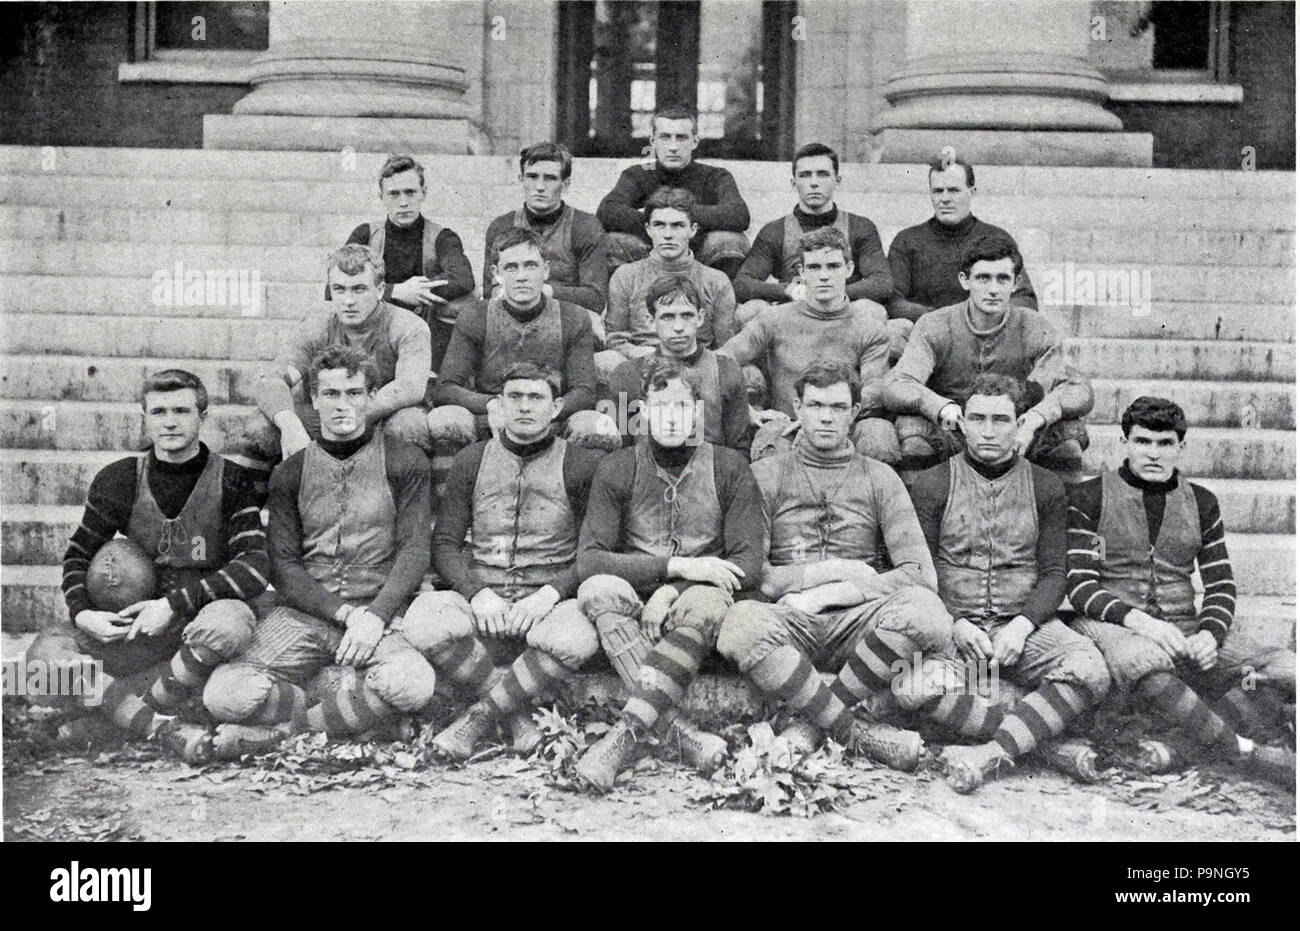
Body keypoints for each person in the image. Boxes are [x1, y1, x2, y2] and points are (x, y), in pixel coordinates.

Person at [715, 361, 1005, 772]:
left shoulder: (880, 477)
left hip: (861, 623)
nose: (827, 417)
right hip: (790, 618)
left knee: (924, 610)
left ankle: (811, 725)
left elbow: (920, 573)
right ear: (797, 408)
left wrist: (833, 594)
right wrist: (832, 575)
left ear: (854, 413)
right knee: (740, 624)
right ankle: (858, 734)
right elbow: (752, 571)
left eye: (838, 406)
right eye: (816, 406)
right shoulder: (764, 474)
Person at [202, 346, 438, 755]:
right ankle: (351, 715)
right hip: (307, 612)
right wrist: (341, 613)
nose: (342, 405)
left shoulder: (405, 460)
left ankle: (279, 734)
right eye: (330, 394)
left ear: (370, 396)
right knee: (224, 693)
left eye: (353, 393)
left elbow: (415, 550)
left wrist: (375, 617)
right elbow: (284, 565)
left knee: (413, 682)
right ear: (312, 399)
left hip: (380, 610)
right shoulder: (290, 472)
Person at [26, 369, 270, 763]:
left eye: (181, 410)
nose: (170, 421)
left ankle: (120, 717)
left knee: (230, 622)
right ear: (144, 416)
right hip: (132, 631)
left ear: (202, 416)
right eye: (158, 412)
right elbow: (78, 555)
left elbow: (256, 566)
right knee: (39, 670)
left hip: (192, 628)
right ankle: (157, 722)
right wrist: (84, 613)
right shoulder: (119, 478)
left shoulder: (232, 479)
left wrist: (173, 605)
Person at [1067, 396, 1294, 786]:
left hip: (1184, 624)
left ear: (1181, 447)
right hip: (1111, 624)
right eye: (1142, 442)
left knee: (1278, 669)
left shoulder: (1202, 501)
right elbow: (1080, 586)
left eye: (1164, 443)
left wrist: (1210, 633)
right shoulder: (1090, 497)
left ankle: (1183, 745)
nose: (1153, 453)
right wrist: (1141, 623)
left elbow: (1220, 584)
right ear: (1125, 442)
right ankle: (1247, 753)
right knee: (1147, 666)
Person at [908, 374, 1112, 792]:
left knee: (1090, 668)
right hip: (955, 630)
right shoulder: (933, 482)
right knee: (909, 687)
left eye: (1000, 419)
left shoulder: (1045, 484)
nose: (987, 430)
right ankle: (1037, 741)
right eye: (977, 418)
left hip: (1023, 628)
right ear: (961, 423)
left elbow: (1057, 573)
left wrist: (1023, 625)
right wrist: (955, 623)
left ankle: (986, 754)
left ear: (1019, 424)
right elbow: (917, 571)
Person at [572, 359, 766, 792]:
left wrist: (676, 589)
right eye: (661, 407)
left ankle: (625, 736)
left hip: (698, 607)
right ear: (641, 413)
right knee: (598, 587)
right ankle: (680, 734)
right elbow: (590, 559)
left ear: (698, 412)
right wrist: (675, 568)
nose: (673, 417)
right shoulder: (619, 466)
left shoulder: (731, 466)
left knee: (709, 599)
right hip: (637, 600)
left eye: (683, 406)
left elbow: (749, 564)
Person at [402, 363, 605, 760]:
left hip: (548, 602)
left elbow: (593, 551)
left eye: (536, 397)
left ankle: (480, 716)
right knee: (423, 619)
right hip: (486, 601)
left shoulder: (582, 463)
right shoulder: (472, 459)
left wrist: (549, 595)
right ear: (499, 404)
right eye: (515, 397)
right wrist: (476, 594)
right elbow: (443, 543)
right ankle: (518, 718)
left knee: (577, 636)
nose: (525, 407)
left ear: (557, 406)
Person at [883, 233, 1092, 477]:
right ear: (965, 280)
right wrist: (940, 407)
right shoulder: (936, 325)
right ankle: (919, 512)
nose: (993, 289)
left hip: (1014, 434)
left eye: (1002, 279)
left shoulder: (1035, 327)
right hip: (956, 431)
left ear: (1015, 283)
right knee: (912, 429)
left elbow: (1078, 389)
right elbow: (896, 384)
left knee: (1068, 433)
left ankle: (1066, 512)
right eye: (983, 278)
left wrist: (1036, 417)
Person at [428, 227, 618, 469]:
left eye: (530, 265)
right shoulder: (476, 314)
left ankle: (577, 502)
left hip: (551, 418)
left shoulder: (573, 316)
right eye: (511, 267)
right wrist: (492, 405)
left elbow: (584, 392)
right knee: (445, 420)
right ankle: (453, 502)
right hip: (494, 418)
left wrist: (544, 411)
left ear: (546, 270)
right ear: (496, 274)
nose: (521, 276)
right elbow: (445, 388)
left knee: (592, 425)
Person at [240, 244, 433, 473]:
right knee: (260, 426)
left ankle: (404, 505)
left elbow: (411, 386)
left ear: (380, 290)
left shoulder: (406, 325)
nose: (348, 300)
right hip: (328, 414)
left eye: (359, 289)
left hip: (381, 416)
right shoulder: (318, 325)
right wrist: (289, 423)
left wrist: (354, 414)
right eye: (339, 290)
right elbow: (271, 379)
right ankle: (248, 506)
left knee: (408, 425)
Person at [718, 226, 895, 463]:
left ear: (849, 269)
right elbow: (719, 362)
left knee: (879, 435)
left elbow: (874, 390)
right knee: (771, 439)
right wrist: (747, 411)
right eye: (814, 267)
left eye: (833, 266)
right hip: (788, 424)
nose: (824, 276)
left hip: (843, 425)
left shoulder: (869, 329)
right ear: (801, 271)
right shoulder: (774, 319)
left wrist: (822, 418)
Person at [733, 142, 905, 358]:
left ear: (837, 181)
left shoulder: (860, 227)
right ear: (793, 182)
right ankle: (766, 380)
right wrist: (789, 291)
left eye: (823, 174)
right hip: (795, 314)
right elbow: (742, 282)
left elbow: (882, 282)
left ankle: (861, 380)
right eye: (805, 175)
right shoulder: (775, 231)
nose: (814, 183)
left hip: (843, 316)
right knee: (751, 310)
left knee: (872, 311)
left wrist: (832, 295)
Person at [342, 154, 478, 368]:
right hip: (376, 330)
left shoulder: (443, 237)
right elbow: (333, 289)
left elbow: (462, 279)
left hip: (426, 331)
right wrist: (396, 292)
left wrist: (417, 293)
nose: (403, 202)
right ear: (381, 196)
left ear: (423, 193)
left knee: (461, 302)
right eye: (394, 194)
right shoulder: (366, 235)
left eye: (410, 192)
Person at [595, 187, 738, 380]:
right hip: (643, 363)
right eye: (660, 225)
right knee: (605, 361)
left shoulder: (716, 280)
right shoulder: (626, 276)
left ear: (692, 230)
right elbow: (615, 338)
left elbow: (725, 347)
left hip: (695, 366)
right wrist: (645, 355)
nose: (667, 234)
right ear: (648, 229)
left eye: (677, 225)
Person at [597, 103, 750, 277]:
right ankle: (633, 299)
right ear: (653, 141)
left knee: (730, 241)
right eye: (665, 137)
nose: (673, 147)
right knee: (611, 241)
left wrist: (681, 219)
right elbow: (607, 210)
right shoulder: (637, 175)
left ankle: (718, 300)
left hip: (699, 260)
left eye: (681, 137)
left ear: (694, 142)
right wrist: (660, 225)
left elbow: (739, 214)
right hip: (650, 256)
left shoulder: (715, 176)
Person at [604, 275, 750, 452]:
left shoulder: (726, 370)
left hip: (709, 473)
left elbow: (739, 449)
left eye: (687, 315)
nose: (678, 326)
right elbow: (619, 452)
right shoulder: (628, 374)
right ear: (651, 322)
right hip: (647, 473)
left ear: (700, 318)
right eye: (667, 317)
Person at [887, 157, 1037, 324]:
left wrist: (984, 317)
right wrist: (944, 319)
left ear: (971, 192)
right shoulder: (908, 241)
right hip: (929, 332)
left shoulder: (996, 237)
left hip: (985, 331)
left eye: (953, 190)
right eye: (937, 191)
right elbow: (893, 300)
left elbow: (1025, 298)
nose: (944, 199)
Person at [481, 142, 609, 321]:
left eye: (549, 178)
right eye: (532, 177)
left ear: (565, 184)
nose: (540, 187)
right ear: (521, 180)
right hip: (514, 316)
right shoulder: (502, 226)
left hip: (566, 319)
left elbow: (595, 298)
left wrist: (543, 291)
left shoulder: (584, 226)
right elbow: (490, 290)